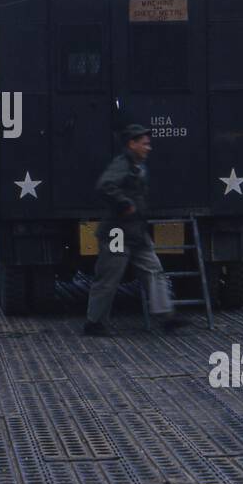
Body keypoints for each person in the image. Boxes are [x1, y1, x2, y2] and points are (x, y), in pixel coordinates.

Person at [83, 124, 175, 335]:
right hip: (117, 231)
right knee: (109, 277)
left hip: (135, 230)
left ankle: (166, 316)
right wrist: (124, 204)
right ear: (131, 144)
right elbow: (105, 185)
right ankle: (94, 322)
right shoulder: (122, 164)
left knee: (154, 270)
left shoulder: (137, 166)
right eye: (144, 144)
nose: (148, 148)